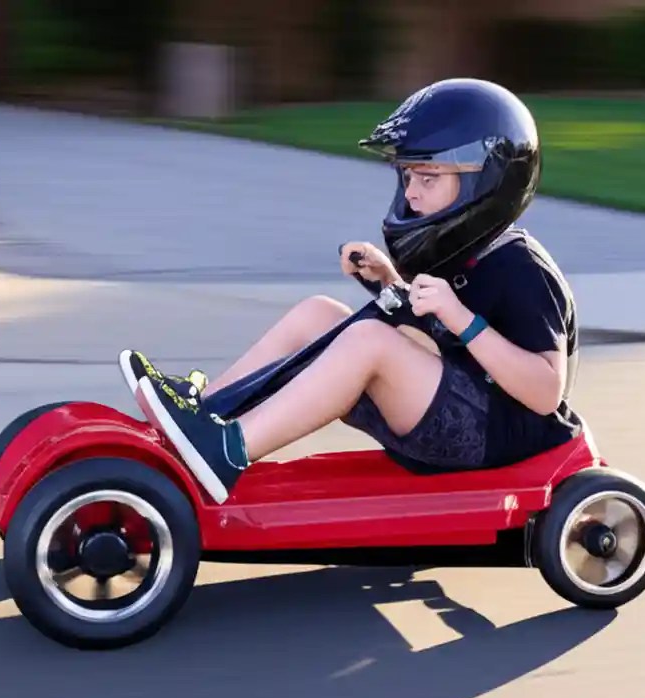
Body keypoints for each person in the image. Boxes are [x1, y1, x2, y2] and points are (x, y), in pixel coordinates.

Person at [122, 78, 582, 504]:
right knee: (319, 314)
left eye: (428, 178)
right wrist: (391, 282)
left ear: (486, 179)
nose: (412, 193)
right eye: (407, 177)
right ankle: (200, 415)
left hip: (494, 439)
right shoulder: (464, 248)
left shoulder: (521, 268)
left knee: (368, 341)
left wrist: (461, 317)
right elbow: (443, 335)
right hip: (455, 412)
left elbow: (545, 392)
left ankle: (228, 451)